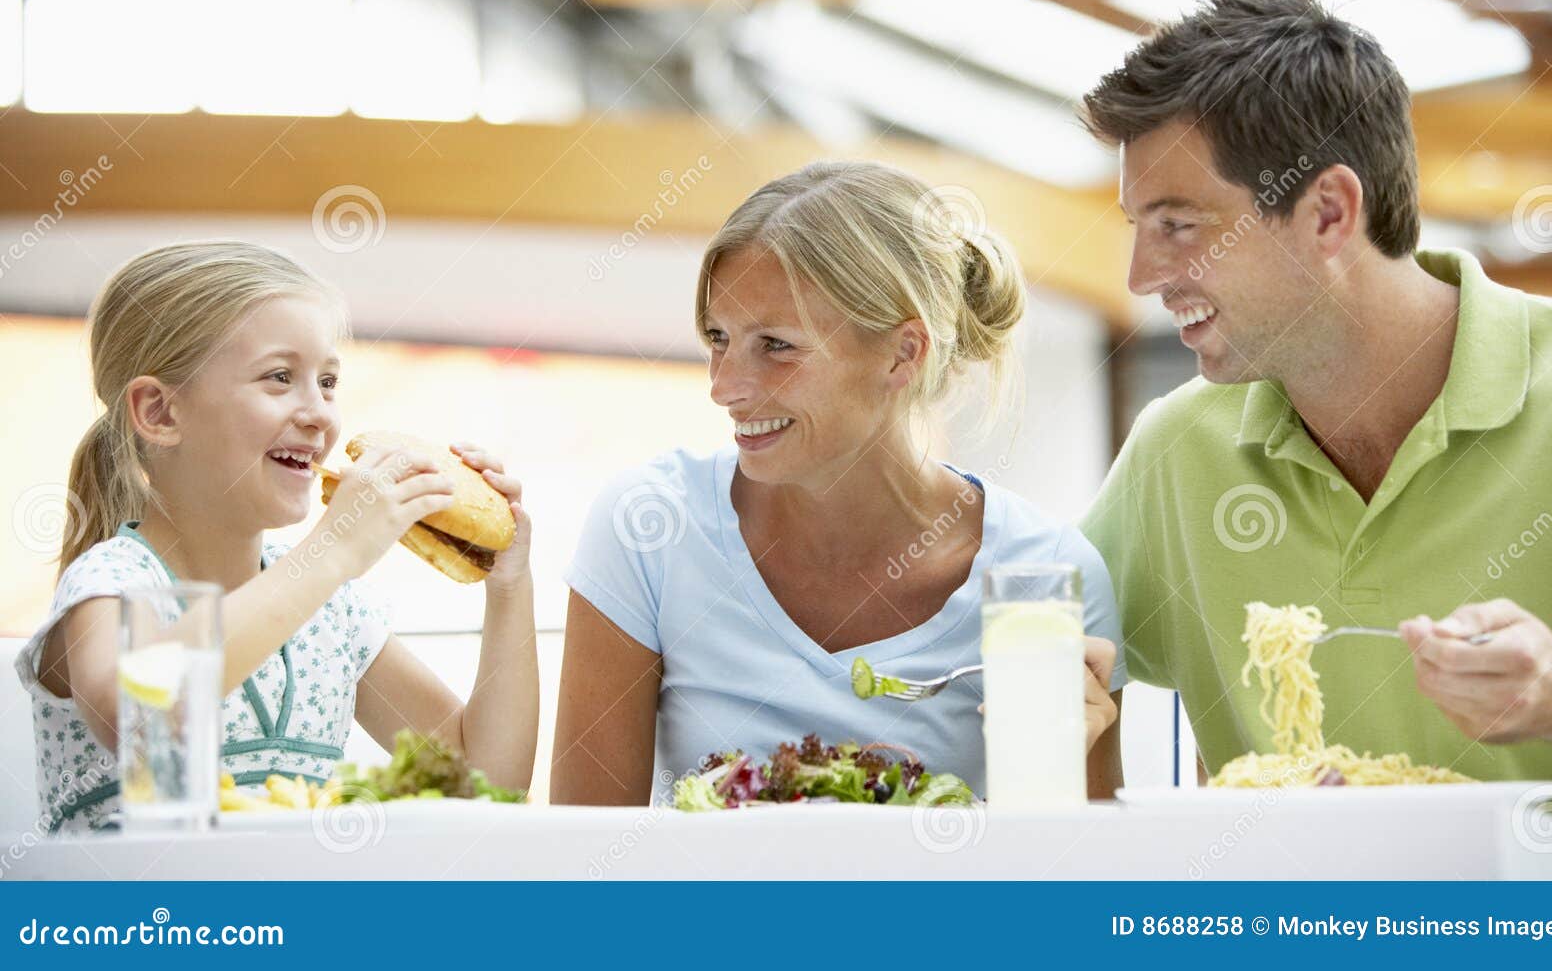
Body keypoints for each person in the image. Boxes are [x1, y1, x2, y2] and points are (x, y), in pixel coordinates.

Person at [1079, 0, 1552, 812]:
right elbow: (1053, 653)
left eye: (1177, 225)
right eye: (1137, 226)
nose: (1141, 277)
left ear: (1327, 212)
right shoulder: (1177, 450)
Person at [552, 162, 1124, 804]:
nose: (724, 387)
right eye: (719, 338)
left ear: (904, 353)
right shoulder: (649, 529)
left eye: (776, 345)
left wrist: (1055, 771)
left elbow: (1079, 863)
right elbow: (584, 849)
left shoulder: (1044, 576)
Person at [15, 241, 539, 831]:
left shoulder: (333, 614)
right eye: (280, 377)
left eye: (328, 382)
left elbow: (485, 781)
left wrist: (510, 584)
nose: (320, 414)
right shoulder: (112, 582)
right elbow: (144, 719)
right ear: (160, 413)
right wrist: (334, 550)